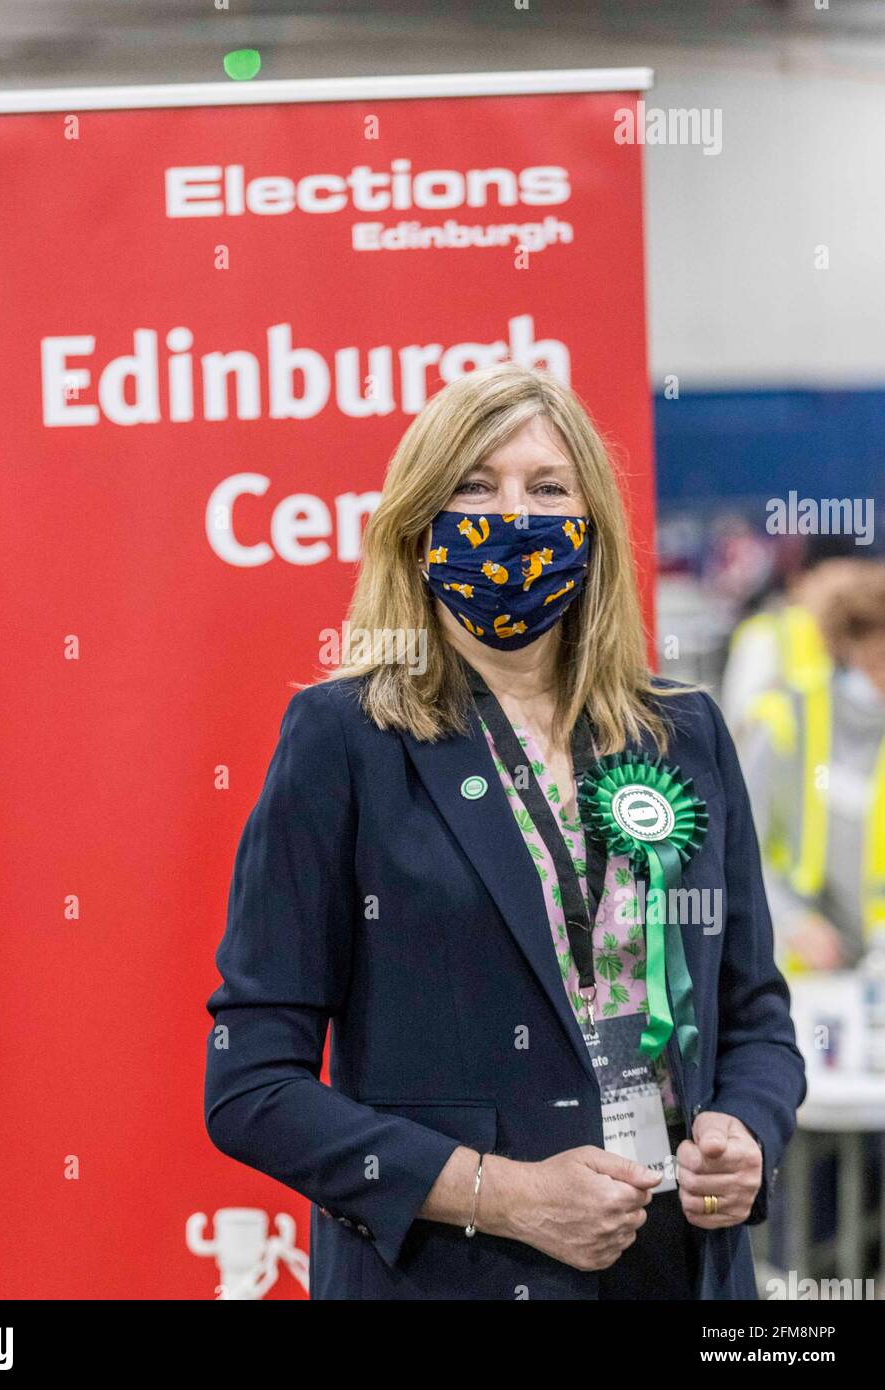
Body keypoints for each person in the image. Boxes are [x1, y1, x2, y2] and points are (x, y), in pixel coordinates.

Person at [204, 362, 807, 1301]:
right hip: (457, 1273)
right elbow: (251, 1088)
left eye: (546, 487)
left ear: (592, 524)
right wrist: (500, 1195)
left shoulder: (679, 731)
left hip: (676, 1268)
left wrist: (747, 1133)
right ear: (416, 526)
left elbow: (755, 1020)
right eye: (474, 488)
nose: (511, 517)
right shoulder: (344, 739)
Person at [736, 559, 885, 974]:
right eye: (875, 660)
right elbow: (743, 841)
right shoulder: (786, 718)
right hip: (802, 958)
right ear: (846, 648)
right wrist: (792, 920)